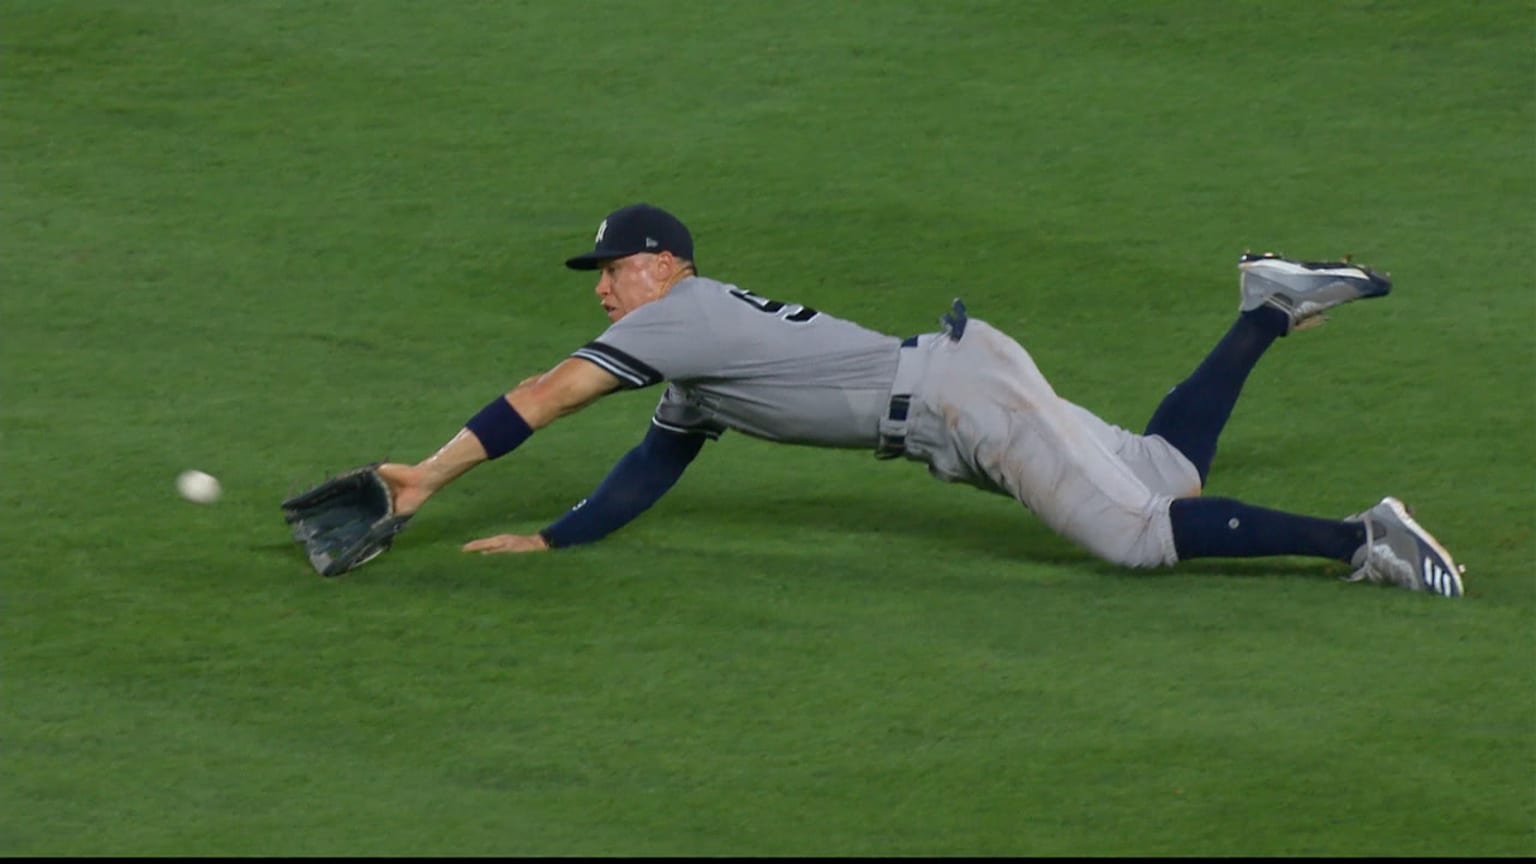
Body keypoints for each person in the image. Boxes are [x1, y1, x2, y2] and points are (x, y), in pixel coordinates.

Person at [370, 203, 1466, 597]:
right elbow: (657, 459)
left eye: (611, 268)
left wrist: (426, 475)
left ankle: (1362, 540)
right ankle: (1266, 309)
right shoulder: (691, 354)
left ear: (665, 265)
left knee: (1138, 541)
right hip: (957, 377)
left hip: (954, 404)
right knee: (1164, 478)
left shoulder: (673, 318)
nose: (602, 287)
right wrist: (559, 541)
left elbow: (541, 398)